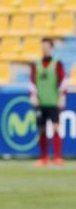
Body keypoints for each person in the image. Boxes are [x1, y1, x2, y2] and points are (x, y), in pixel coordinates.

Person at [31, 37, 66, 166]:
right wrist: (33, 96)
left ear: (51, 48)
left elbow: (63, 82)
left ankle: (57, 157)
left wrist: (62, 97)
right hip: (41, 102)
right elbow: (32, 83)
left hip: (53, 101)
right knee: (41, 129)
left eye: (46, 46)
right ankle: (43, 158)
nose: (44, 48)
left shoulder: (57, 64)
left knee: (56, 127)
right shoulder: (36, 64)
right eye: (42, 46)